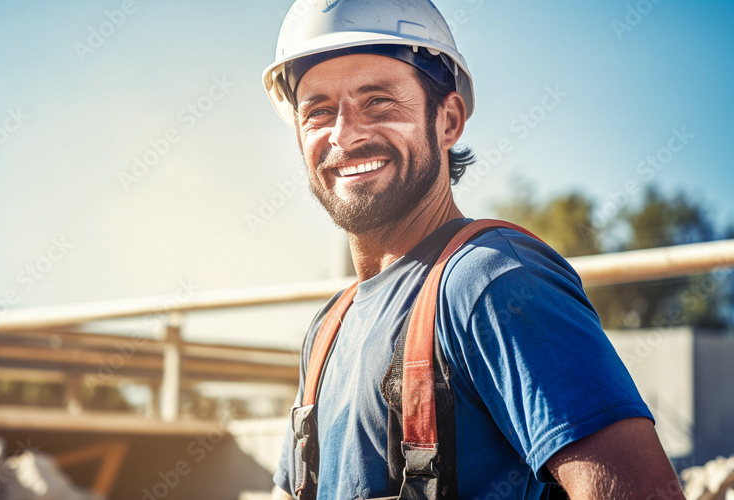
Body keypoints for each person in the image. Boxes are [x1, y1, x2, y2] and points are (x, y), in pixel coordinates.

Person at [260, 1, 684, 499]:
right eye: (318, 111)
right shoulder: (328, 330)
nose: (345, 133)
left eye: (378, 102)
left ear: (448, 120)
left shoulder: (494, 281)